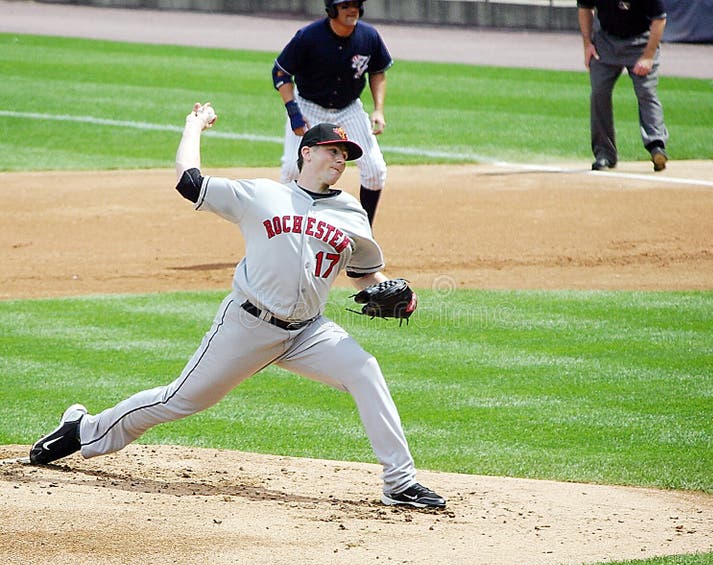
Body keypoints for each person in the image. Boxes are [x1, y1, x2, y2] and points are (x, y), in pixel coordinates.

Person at [28, 102, 446, 510]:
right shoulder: (261, 194)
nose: (341, 161)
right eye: (333, 151)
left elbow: (364, 275)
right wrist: (194, 126)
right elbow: (189, 181)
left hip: (308, 331)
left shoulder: (351, 212)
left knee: (365, 370)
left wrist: (398, 294)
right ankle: (83, 430)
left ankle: (400, 482)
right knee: (179, 400)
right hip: (248, 325)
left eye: (346, 156)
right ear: (308, 152)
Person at [272, 0, 391, 226]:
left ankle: (363, 231)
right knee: (290, 169)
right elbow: (281, 73)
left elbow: (378, 71)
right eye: (345, 5)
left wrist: (378, 109)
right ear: (331, 9)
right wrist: (294, 113)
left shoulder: (369, 36)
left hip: (349, 108)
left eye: (355, 4)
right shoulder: (309, 36)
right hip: (308, 107)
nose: (352, 9)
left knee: (375, 171)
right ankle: (285, 231)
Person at [578, 0, 670, 172]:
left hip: (641, 42)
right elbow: (585, 8)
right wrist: (587, 44)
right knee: (599, 93)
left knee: (646, 92)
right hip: (606, 41)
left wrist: (648, 56)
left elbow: (659, 19)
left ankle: (657, 145)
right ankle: (604, 154)